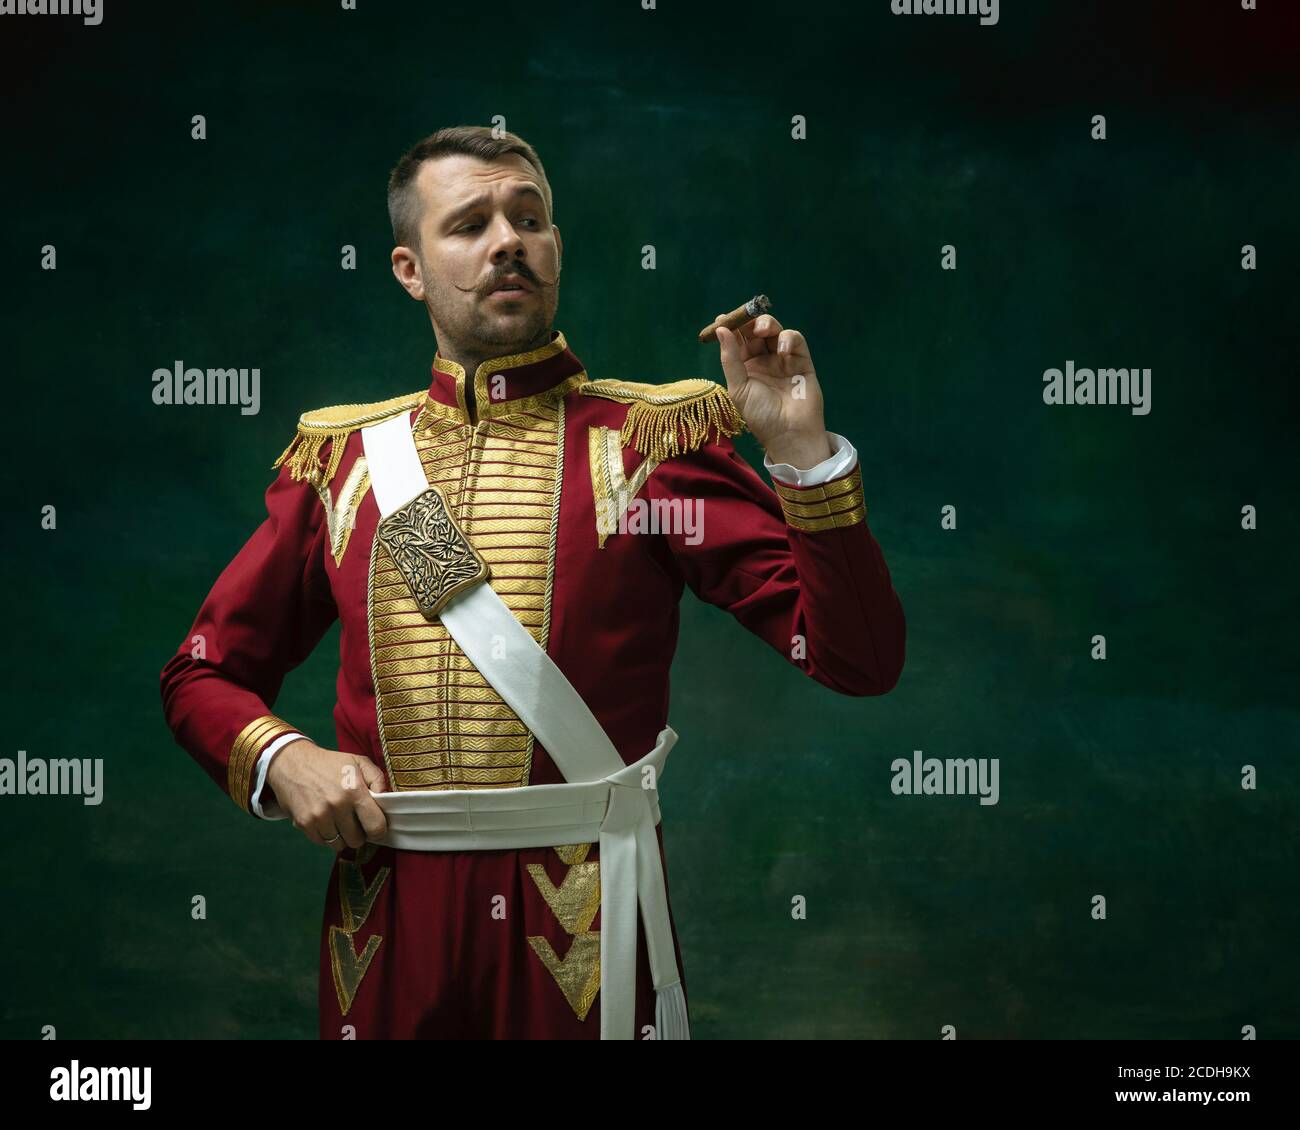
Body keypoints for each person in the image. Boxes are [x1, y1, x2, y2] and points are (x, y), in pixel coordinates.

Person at [159, 124, 907, 1040]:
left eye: (529, 217)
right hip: (387, 927)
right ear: (408, 268)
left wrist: (802, 454)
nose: (507, 239)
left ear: (555, 247)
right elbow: (201, 674)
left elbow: (859, 659)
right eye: (469, 223)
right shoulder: (344, 463)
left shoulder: (651, 445)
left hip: (585, 923)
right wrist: (286, 758)